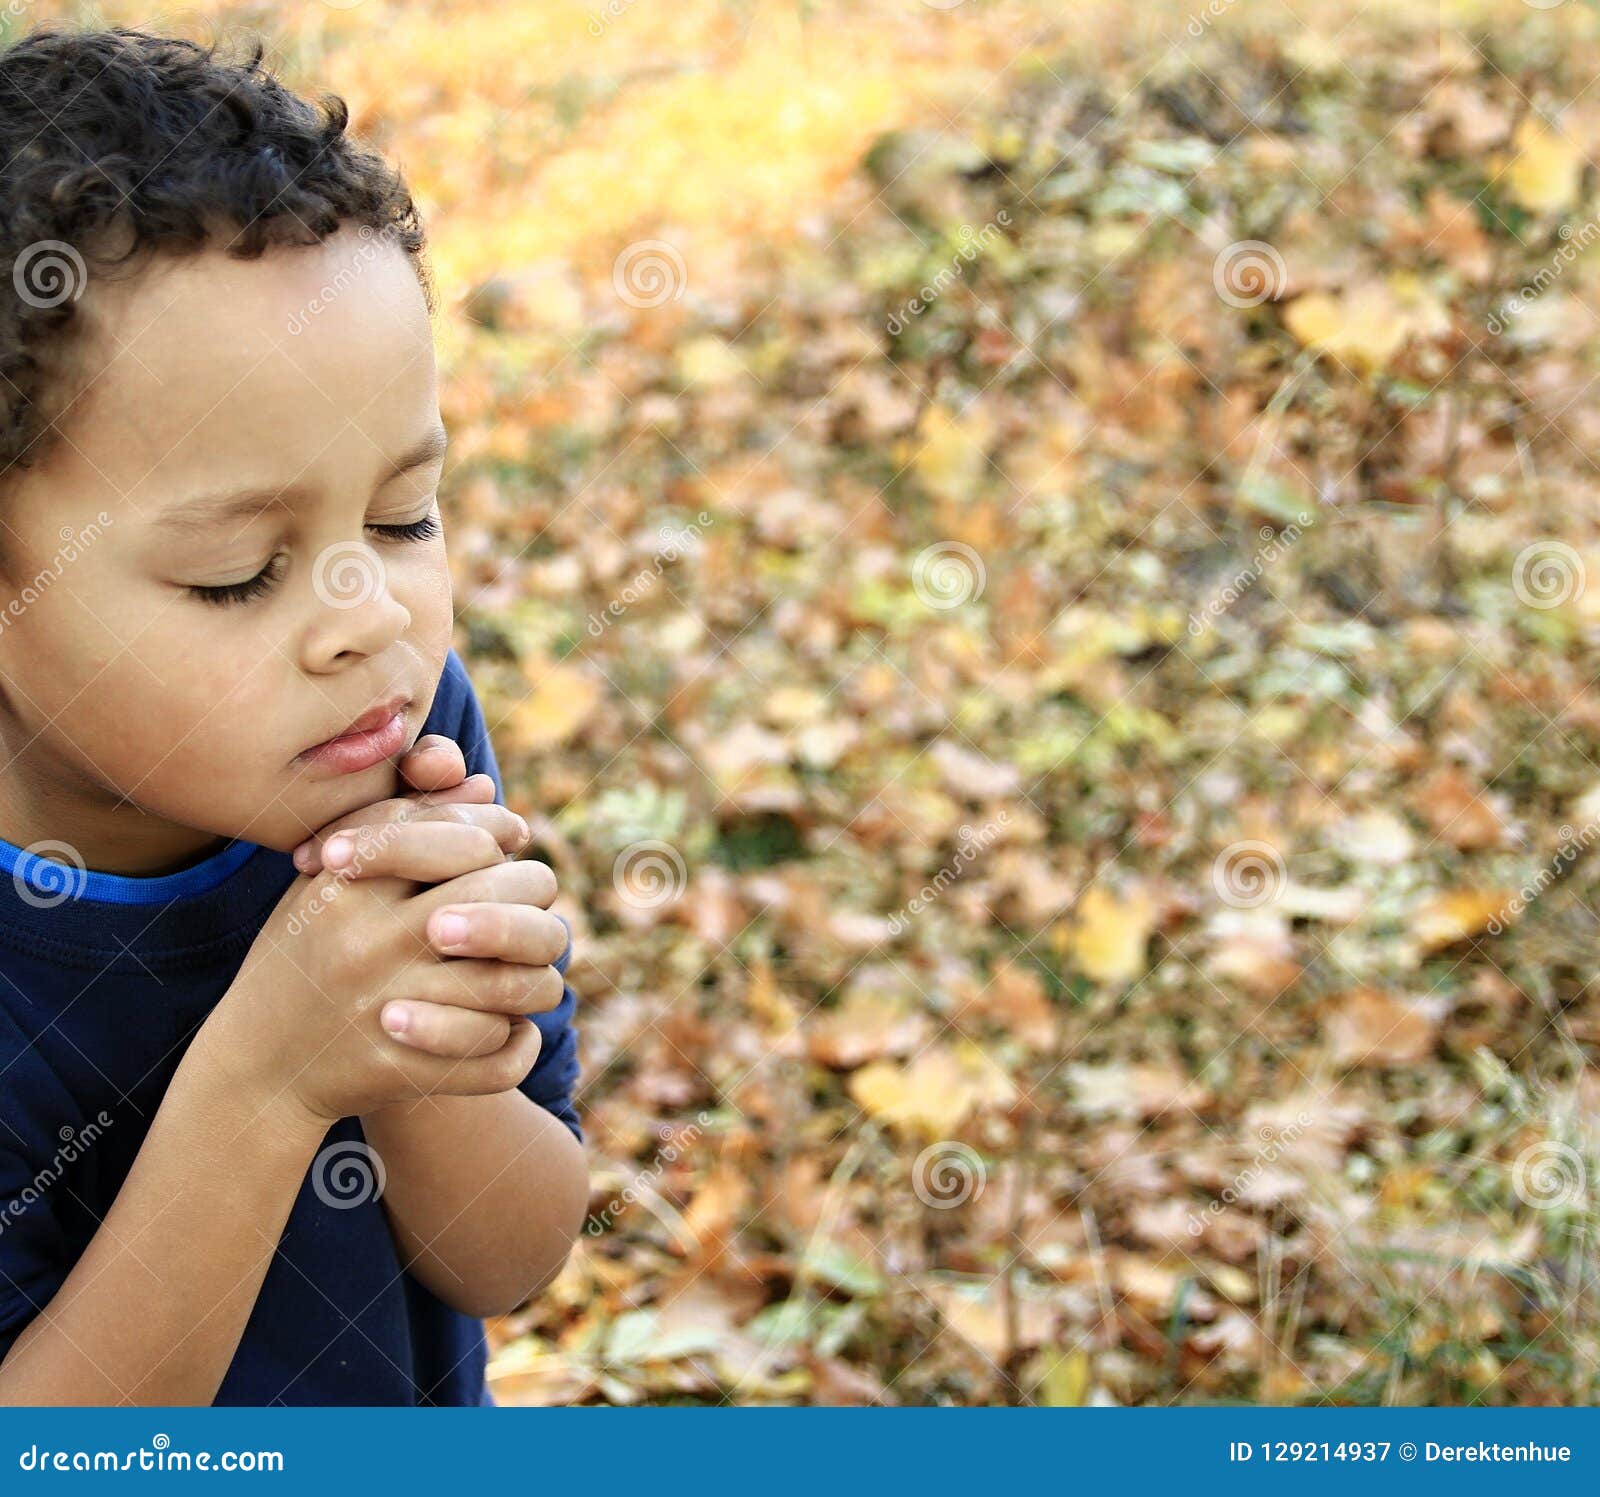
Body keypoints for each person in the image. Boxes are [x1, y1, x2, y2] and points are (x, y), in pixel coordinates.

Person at [0, 25, 587, 1405]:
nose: (367, 617)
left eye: (403, 515)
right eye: (236, 574)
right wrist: (266, 1080)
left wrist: (402, 1039)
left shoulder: (395, 744)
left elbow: (509, 1256)